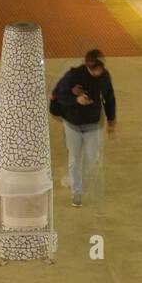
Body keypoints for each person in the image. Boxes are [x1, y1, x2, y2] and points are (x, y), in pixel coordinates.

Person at [51, 49, 117, 207]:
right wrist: (76, 99)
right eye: (93, 69)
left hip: (93, 124)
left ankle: (74, 179)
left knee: (93, 158)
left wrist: (111, 120)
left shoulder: (104, 77)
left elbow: (109, 97)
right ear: (87, 65)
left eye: (99, 69)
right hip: (72, 124)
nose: (96, 72)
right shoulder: (73, 75)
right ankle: (77, 191)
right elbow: (58, 95)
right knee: (74, 158)